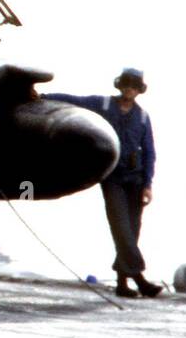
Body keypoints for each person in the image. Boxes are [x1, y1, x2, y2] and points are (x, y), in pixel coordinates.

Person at [41, 68, 160, 298]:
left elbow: (149, 152)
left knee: (132, 230)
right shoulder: (103, 105)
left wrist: (148, 184)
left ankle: (122, 284)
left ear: (139, 90)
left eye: (134, 86)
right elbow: (74, 101)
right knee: (121, 228)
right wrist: (45, 97)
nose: (129, 90)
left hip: (135, 180)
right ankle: (139, 278)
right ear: (120, 85)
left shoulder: (143, 117)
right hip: (112, 177)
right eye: (126, 84)